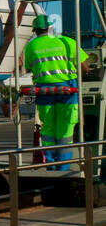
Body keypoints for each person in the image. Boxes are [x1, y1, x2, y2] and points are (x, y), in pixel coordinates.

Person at [24, 14, 89, 171]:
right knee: (65, 130)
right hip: (68, 91)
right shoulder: (67, 42)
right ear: (52, 28)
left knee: (48, 129)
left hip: (44, 92)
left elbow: (28, 68)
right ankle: (63, 167)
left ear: (36, 31)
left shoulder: (31, 47)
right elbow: (85, 67)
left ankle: (51, 165)